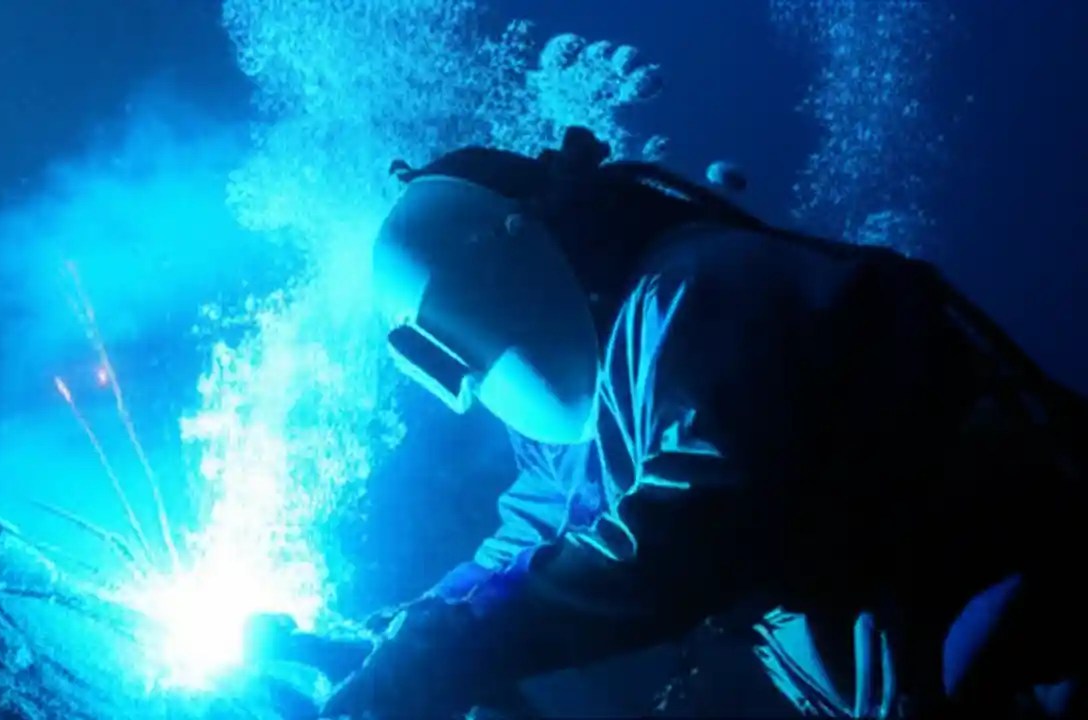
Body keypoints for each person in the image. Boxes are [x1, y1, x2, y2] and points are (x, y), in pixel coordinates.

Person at [261, 127, 1087, 718]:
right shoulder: (589, 395)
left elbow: (692, 524)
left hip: (1042, 622)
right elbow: (533, 534)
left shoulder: (695, 293)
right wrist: (404, 631)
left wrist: (456, 651)